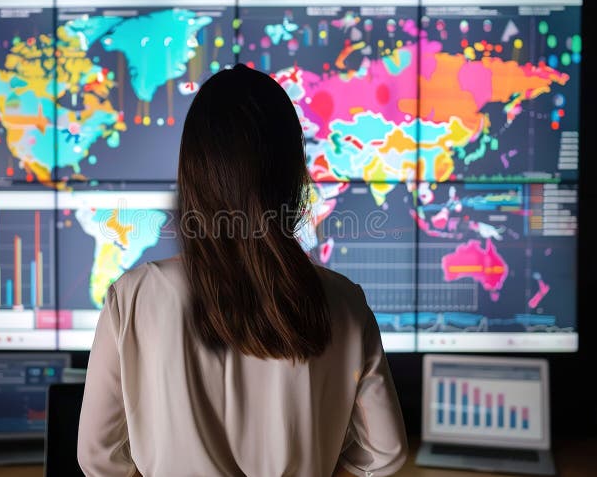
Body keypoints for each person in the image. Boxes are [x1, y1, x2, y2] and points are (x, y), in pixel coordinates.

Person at [77, 64, 407, 477]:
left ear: (192, 175)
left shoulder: (132, 296)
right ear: (291, 176)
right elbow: (385, 453)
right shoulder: (344, 302)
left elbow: (98, 456)